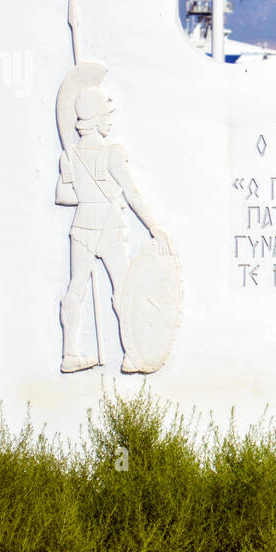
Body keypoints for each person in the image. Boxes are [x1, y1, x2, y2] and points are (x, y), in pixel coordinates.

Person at [56, 80, 169, 373]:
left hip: (82, 225)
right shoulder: (111, 153)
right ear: (94, 118)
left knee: (76, 289)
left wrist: (79, 187)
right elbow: (132, 192)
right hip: (107, 224)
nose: (110, 122)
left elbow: (64, 196)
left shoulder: (69, 156)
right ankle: (131, 355)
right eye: (107, 116)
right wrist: (154, 226)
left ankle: (70, 355)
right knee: (124, 290)